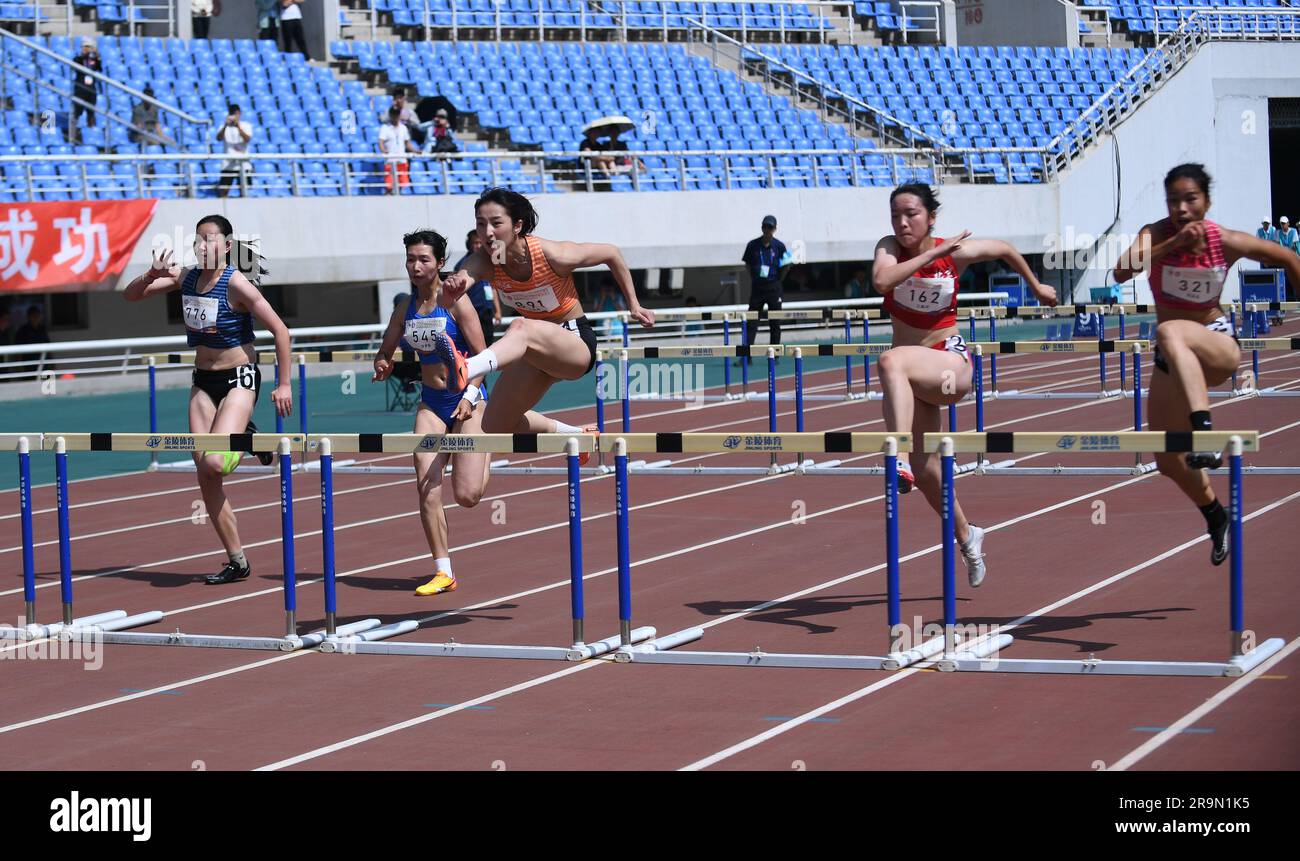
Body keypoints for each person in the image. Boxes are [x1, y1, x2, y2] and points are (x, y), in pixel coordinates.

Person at [1113, 163, 1300, 565]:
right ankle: (1216, 515)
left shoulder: (1225, 241)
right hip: (1173, 359)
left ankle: (1203, 432)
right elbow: (1121, 268)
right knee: (1165, 459)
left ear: (1207, 202)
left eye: (1190, 199)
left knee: (1171, 331)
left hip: (1216, 346)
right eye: (1173, 200)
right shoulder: (1156, 233)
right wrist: (1171, 244)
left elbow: (1287, 257)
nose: (1180, 207)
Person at [874, 183, 1058, 587]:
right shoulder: (889, 247)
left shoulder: (955, 252)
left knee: (889, 361)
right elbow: (882, 281)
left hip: (949, 367)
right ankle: (967, 534)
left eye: (911, 214)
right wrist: (928, 255)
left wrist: (1036, 286)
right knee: (928, 473)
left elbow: (1006, 249)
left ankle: (897, 459)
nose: (902, 223)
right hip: (912, 374)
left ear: (931, 217)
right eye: (895, 215)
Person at [123, 215, 293, 585]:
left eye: (210, 240)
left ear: (227, 246)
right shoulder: (185, 277)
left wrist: (284, 384)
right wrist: (151, 274)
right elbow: (130, 295)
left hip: (239, 378)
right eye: (198, 239)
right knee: (206, 474)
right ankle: (237, 560)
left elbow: (281, 330)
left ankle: (246, 437)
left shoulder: (236, 283)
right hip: (203, 381)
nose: (202, 246)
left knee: (216, 462)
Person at [431, 187, 654, 436]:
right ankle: (575, 433)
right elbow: (445, 295)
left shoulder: (553, 255)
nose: (487, 233)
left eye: (496, 223)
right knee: (494, 425)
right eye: (481, 224)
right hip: (534, 351)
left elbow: (611, 253)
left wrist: (634, 304)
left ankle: (467, 369)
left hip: (573, 343)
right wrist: (450, 290)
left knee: (521, 326)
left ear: (518, 225)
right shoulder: (485, 261)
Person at [372, 230, 492, 597]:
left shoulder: (455, 302)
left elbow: (485, 357)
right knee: (426, 483)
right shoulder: (404, 309)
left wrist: (470, 397)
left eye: (424, 259)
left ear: (440, 263)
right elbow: (386, 349)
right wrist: (383, 363)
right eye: (410, 259)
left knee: (468, 496)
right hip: (432, 403)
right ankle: (444, 571)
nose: (416, 266)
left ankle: (508, 432)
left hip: (468, 398)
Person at [739, 215, 789, 363]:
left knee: (775, 322)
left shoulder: (779, 246)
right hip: (758, 288)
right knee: (752, 322)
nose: (767, 230)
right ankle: (746, 356)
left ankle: (775, 355)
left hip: (774, 287)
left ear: (775, 229)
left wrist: (779, 280)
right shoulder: (752, 245)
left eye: (770, 227)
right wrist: (754, 278)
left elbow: (787, 265)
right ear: (761, 227)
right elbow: (747, 264)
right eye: (764, 226)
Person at [454, 230, 502, 346]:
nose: (478, 246)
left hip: (486, 309)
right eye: (475, 243)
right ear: (469, 245)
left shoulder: (490, 261)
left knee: (488, 343)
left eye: (481, 243)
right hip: (472, 309)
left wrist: (498, 310)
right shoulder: (463, 264)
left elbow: (493, 287)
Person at [215, 103, 253, 198]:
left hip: (243, 164)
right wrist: (225, 126)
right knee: (224, 190)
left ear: (239, 113)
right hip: (228, 164)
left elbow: (247, 139)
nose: (234, 116)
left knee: (244, 190)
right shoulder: (224, 126)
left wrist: (238, 127)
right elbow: (219, 138)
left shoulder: (246, 125)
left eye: (236, 114)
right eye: (232, 114)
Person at [70, 39, 102, 145]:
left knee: (91, 112)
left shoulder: (92, 60)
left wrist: (97, 56)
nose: (87, 49)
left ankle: (91, 136)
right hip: (80, 88)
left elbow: (99, 68)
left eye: (89, 47)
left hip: (91, 89)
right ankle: (72, 137)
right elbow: (76, 66)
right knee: (77, 113)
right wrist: (84, 54)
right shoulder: (78, 59)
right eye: (85, 47)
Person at [378, 106, 415, 194]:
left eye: (397, 114)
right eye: (393, 114)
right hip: (390, 160)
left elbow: (407, 142)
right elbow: (380, 141)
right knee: (389, 185)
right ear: (390, 115)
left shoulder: (403, 128)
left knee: (402, 184)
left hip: (401, 160)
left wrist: (414, 150)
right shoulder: (385, 128)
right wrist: (383, 150)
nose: (395, 116)